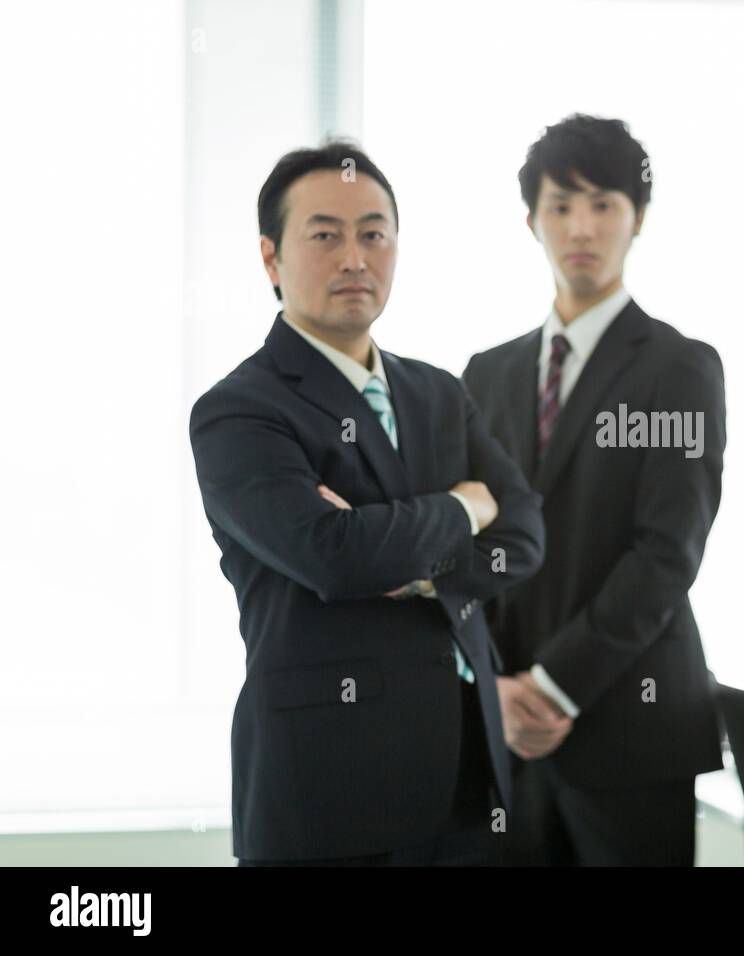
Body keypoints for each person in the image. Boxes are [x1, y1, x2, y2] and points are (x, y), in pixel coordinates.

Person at [189, 139, 544, 865]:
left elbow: (528, 536)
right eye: (325, 235)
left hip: (472, 777)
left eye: (374, 234)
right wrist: (464, 509)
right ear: (270, 259)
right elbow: (335, 556)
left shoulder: (438, 392)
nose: (355, 258)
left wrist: (407, 560)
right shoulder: (239, 411)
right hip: (329, 793)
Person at [461, 114, 725, 865]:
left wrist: (552, 686)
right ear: (531, 220)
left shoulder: (681, 368)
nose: (582, 226)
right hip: (506, 735)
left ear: (637, 219)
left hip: (631, 736)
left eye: (604, 203)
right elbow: (469, 547)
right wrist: (497, 686)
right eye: (561, 205)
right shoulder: (486, 374)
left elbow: (666, 553)